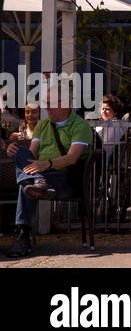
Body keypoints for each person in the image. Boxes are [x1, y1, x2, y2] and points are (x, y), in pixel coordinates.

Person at [6, 91, 95, 258]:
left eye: (50, 103)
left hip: (65, 179)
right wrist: (14, 152)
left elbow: (72, 158)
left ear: (65, 104)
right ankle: (38, 182)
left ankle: (23, 237)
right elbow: (31, 155)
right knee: (22, 154)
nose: (46, 108)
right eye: (45, 103)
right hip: (42, 179)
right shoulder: (43, 125)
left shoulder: (80, 125)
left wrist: (47, 164)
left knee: (25, 185)